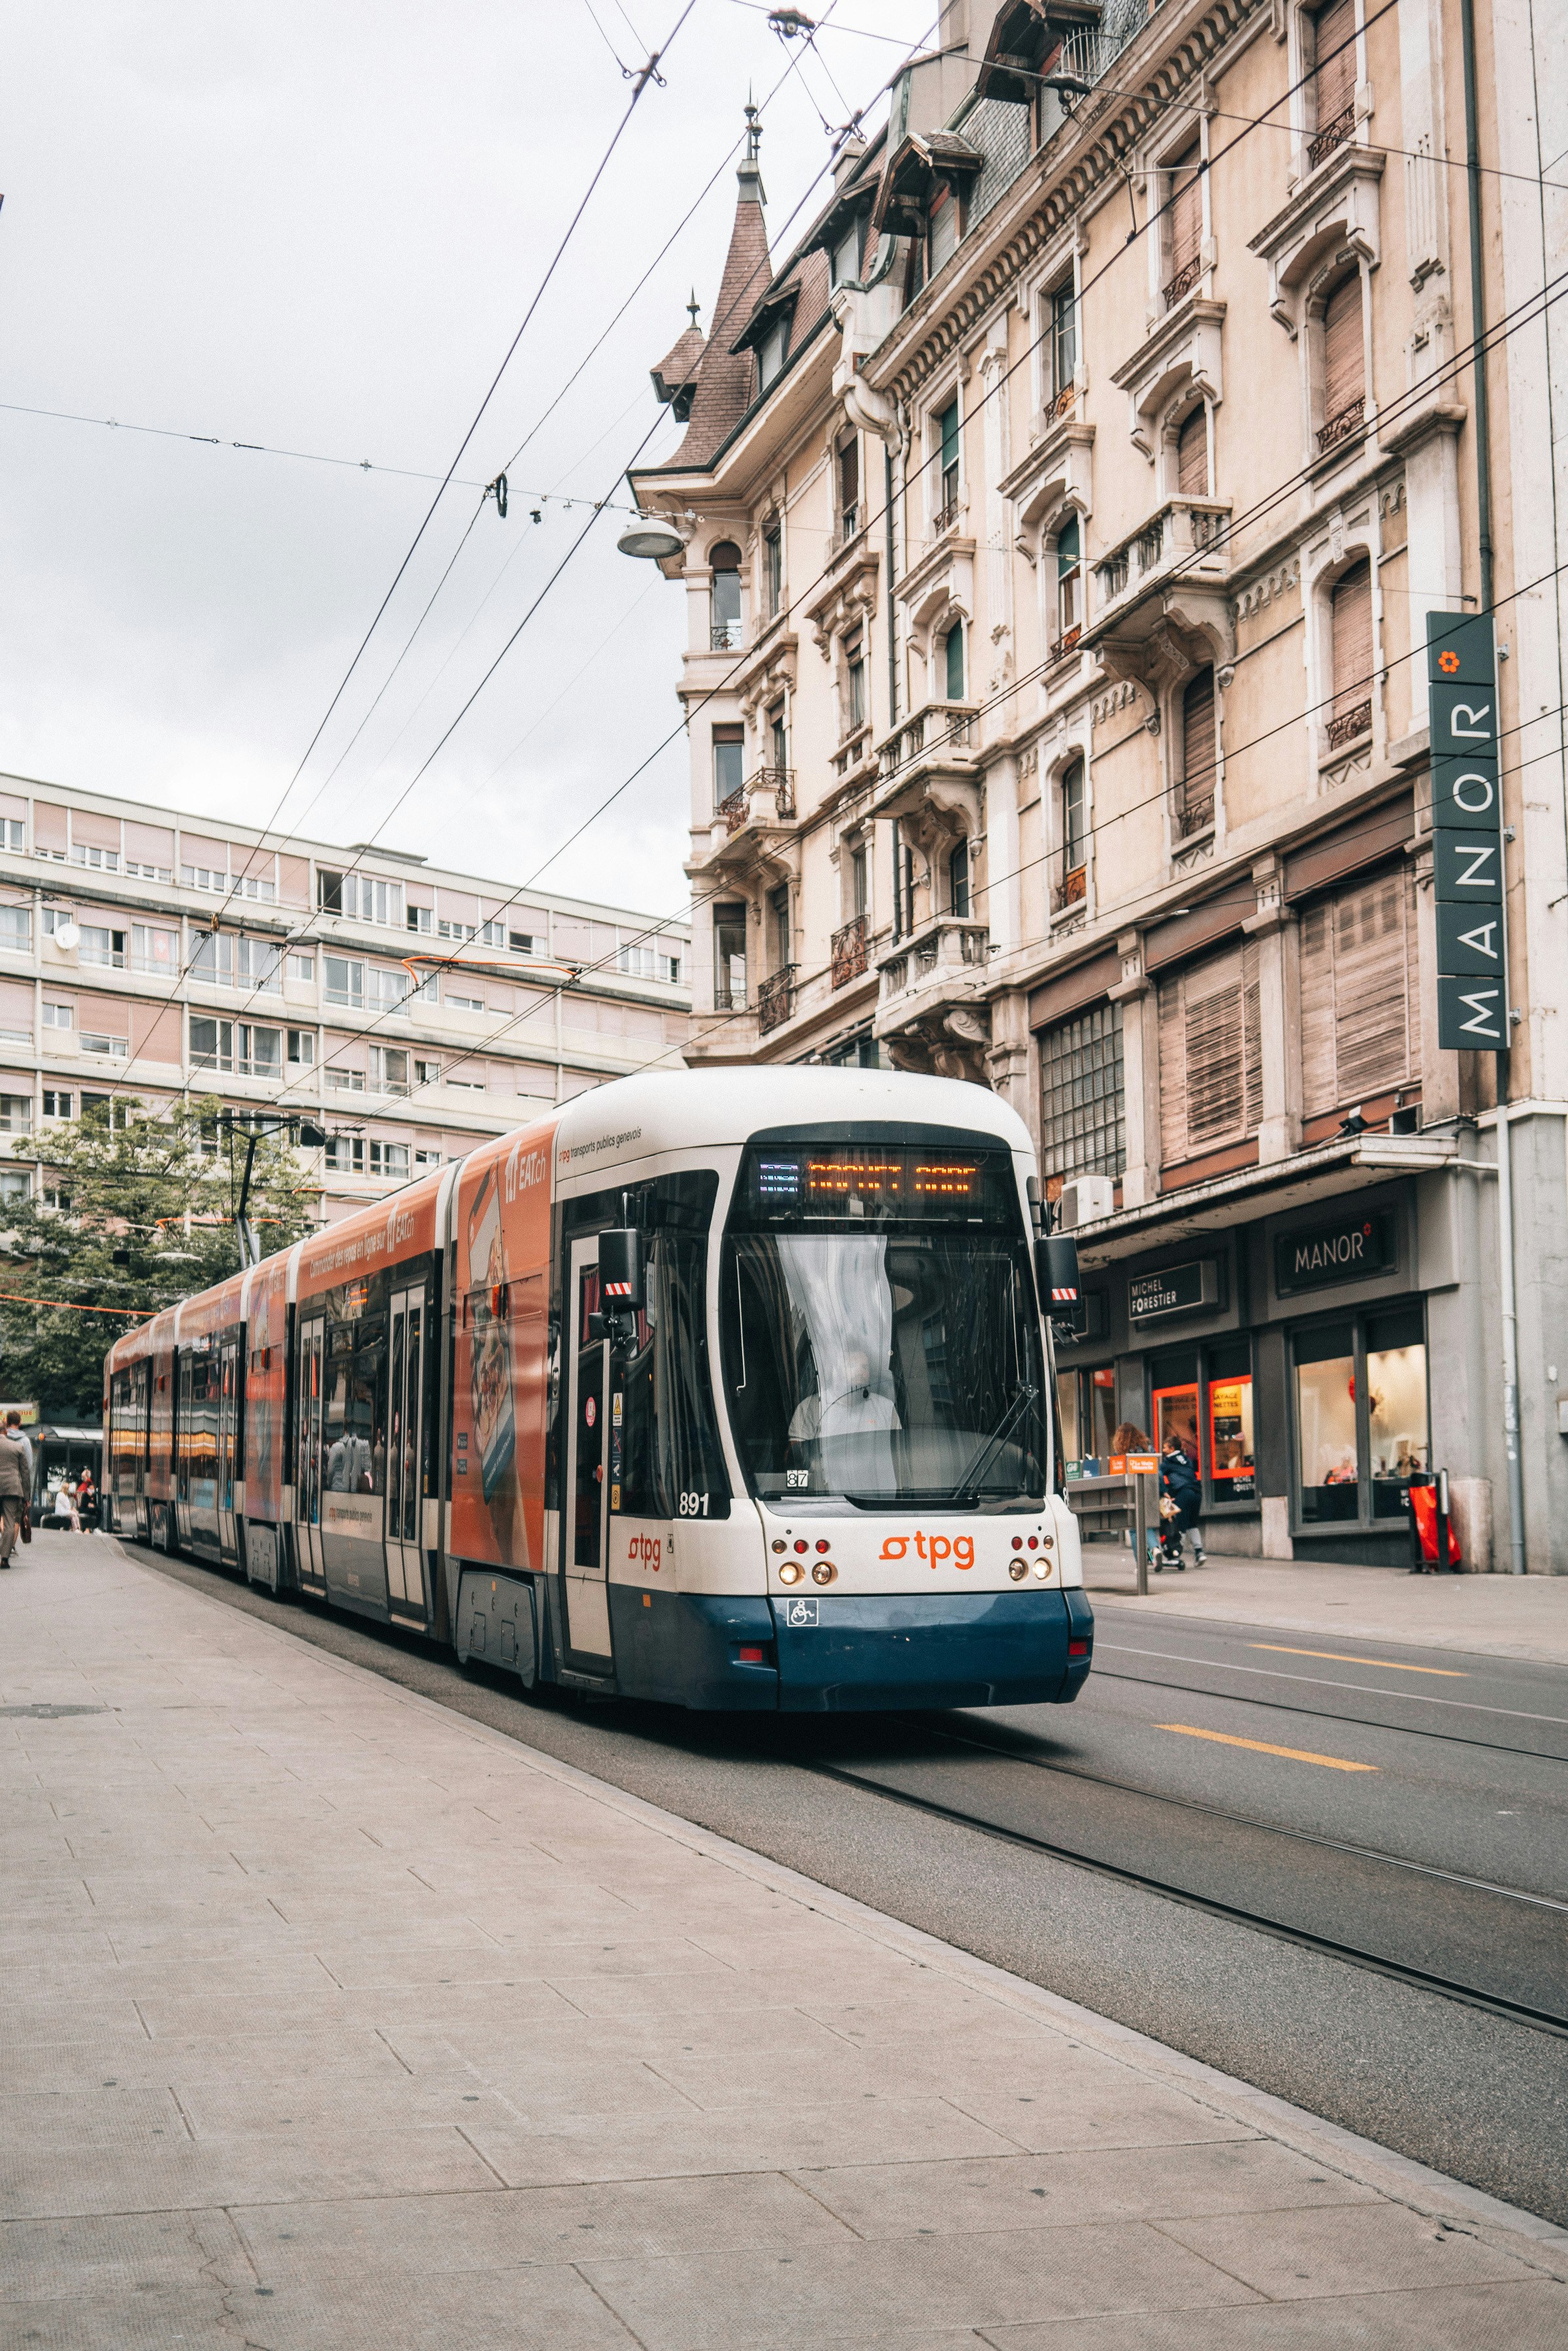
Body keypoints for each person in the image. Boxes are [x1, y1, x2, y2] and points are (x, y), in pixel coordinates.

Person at [1156, 1432, 1205, 1571]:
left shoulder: (1168, 1462)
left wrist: (1164, 1490)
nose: (1163, 1451)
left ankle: (1176, 1555)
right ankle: (1199, 1552)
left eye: (1165, 1448)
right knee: (1192, 1524)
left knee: (1180, 1524)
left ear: (1171, 1449)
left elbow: (1158, 1474)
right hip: (1197, 1492)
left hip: (1184, 1493)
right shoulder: (1186, 1458)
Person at [0, 1414, 28, 1565]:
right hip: (12, 1488)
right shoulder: (18, 1447)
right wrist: (27, 1496)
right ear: (5, 1432)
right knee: (10, 1523)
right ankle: (4, 1558)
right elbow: (25, 1473)